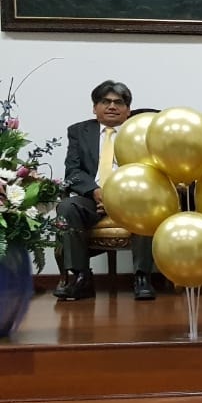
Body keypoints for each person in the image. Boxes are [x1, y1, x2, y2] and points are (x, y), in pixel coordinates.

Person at [55, 80, 155, 301]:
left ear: (128, 110)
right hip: (93, 197)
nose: (112, 106)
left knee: (148, 207)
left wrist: (122, 195)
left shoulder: (141, 132)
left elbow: (152, 169)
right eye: (105, 101)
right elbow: (73, 171)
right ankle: (81, 277)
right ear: (95, 107)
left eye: (119, 102)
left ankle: (142, 276)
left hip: (132, 198)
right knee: (67, 207)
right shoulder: (79, 131)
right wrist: (95, 191)